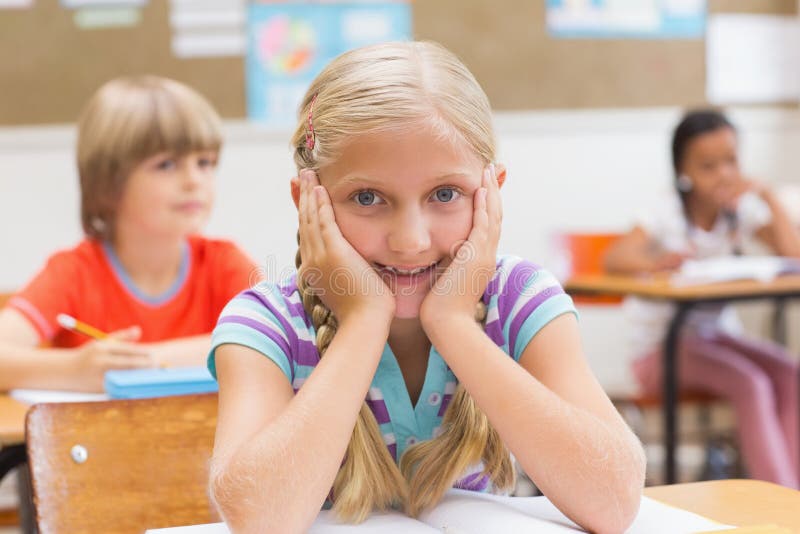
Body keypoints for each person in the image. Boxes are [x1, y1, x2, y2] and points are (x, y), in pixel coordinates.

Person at [208, 41, 645, 533]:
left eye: (445, 194)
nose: (411, 241)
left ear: (491, 192)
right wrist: (363, 322)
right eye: (368, 197)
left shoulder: (520, 300)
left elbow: (615, 501)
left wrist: (454, 324)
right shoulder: (264, 324)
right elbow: (260, 519)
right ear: (308, 200)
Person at [0, 75, 257, 393]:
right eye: (166, 165)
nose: (194, 180)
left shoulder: (224, 263)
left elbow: (278, 340)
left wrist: (144, 362)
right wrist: (76, 369)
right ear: (109, 183)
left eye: (205, 162)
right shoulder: (73, 272)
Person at [605, 109, 800, 488]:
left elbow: (792, 254)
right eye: (708, 165)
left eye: (731, 161)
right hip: (660, 352)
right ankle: (783, 501)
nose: (724, 174)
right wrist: (658, 262)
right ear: (684, 171)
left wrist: (768, 196)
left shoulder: (739, 211)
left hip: (714, 341)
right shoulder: (665, 211)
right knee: (752, 383)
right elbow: (615, 258)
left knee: (790, 373)